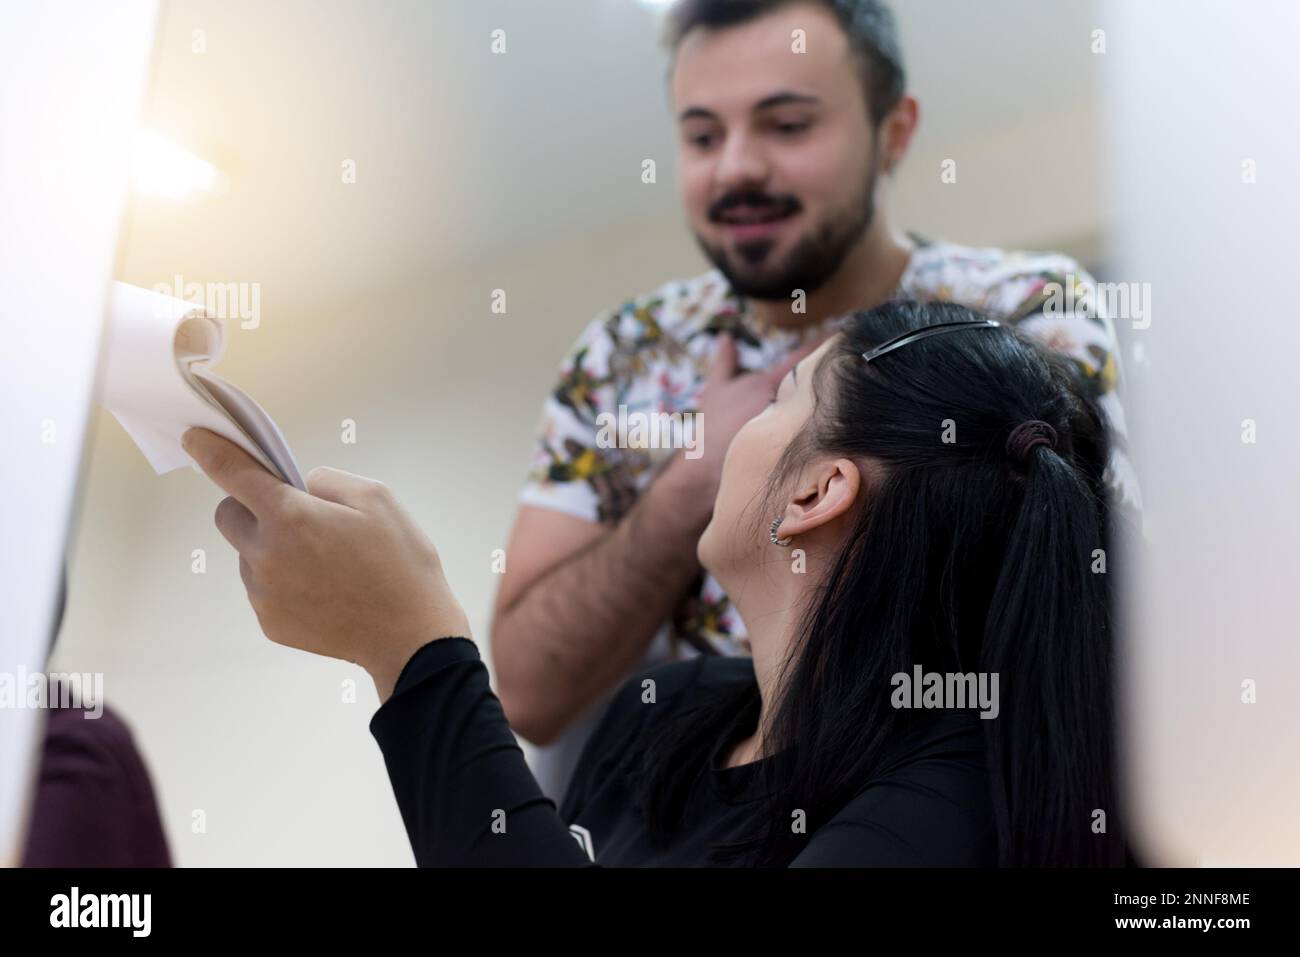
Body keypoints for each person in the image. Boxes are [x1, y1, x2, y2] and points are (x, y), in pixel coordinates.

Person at [183, 299, 1126, 866]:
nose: (729, 431)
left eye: (779, 397)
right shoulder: (661, 715)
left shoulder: (948, 812)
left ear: (816, 489)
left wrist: (413, 652)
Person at [490, 0, 1137, 801]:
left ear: (894, 132)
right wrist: (694, 480)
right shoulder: (623, 354)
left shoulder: (1027, 313)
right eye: (701, 137)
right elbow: (526, 693)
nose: (735, 169)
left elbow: (1092, 612)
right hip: (710, 826)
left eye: (787, 125)